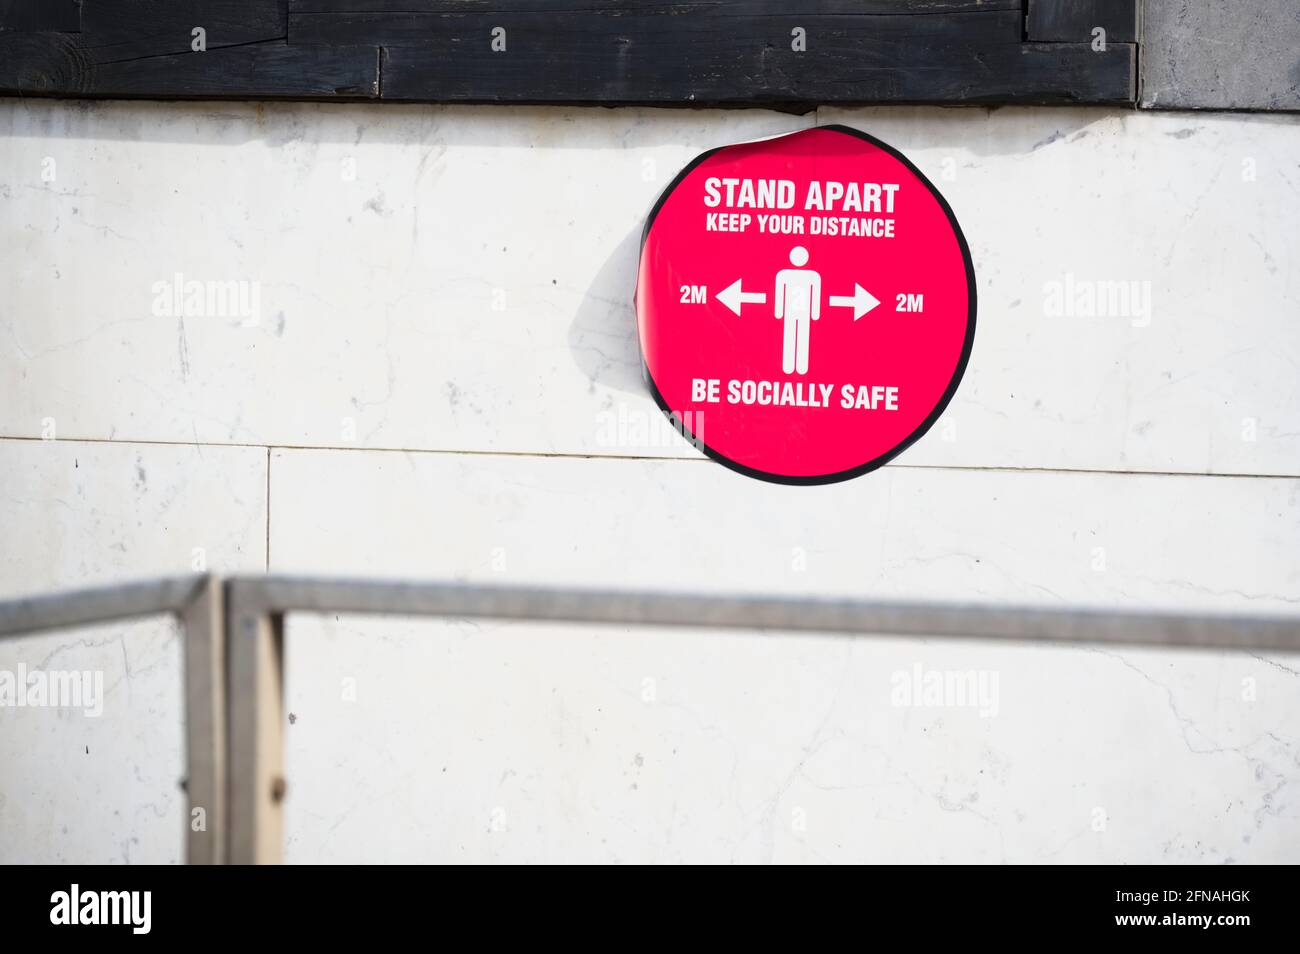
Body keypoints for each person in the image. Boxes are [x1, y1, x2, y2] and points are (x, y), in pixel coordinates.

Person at [774, 246, 821, 374]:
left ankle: (801, 366)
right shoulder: (783, 274)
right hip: (790, 312)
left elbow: (815, 294)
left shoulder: (813, 276)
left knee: (802, 337)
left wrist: (815, 313)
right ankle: (789, 366)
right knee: (790, 335)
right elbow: (780, 293)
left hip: (803, 313)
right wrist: (779, 311)